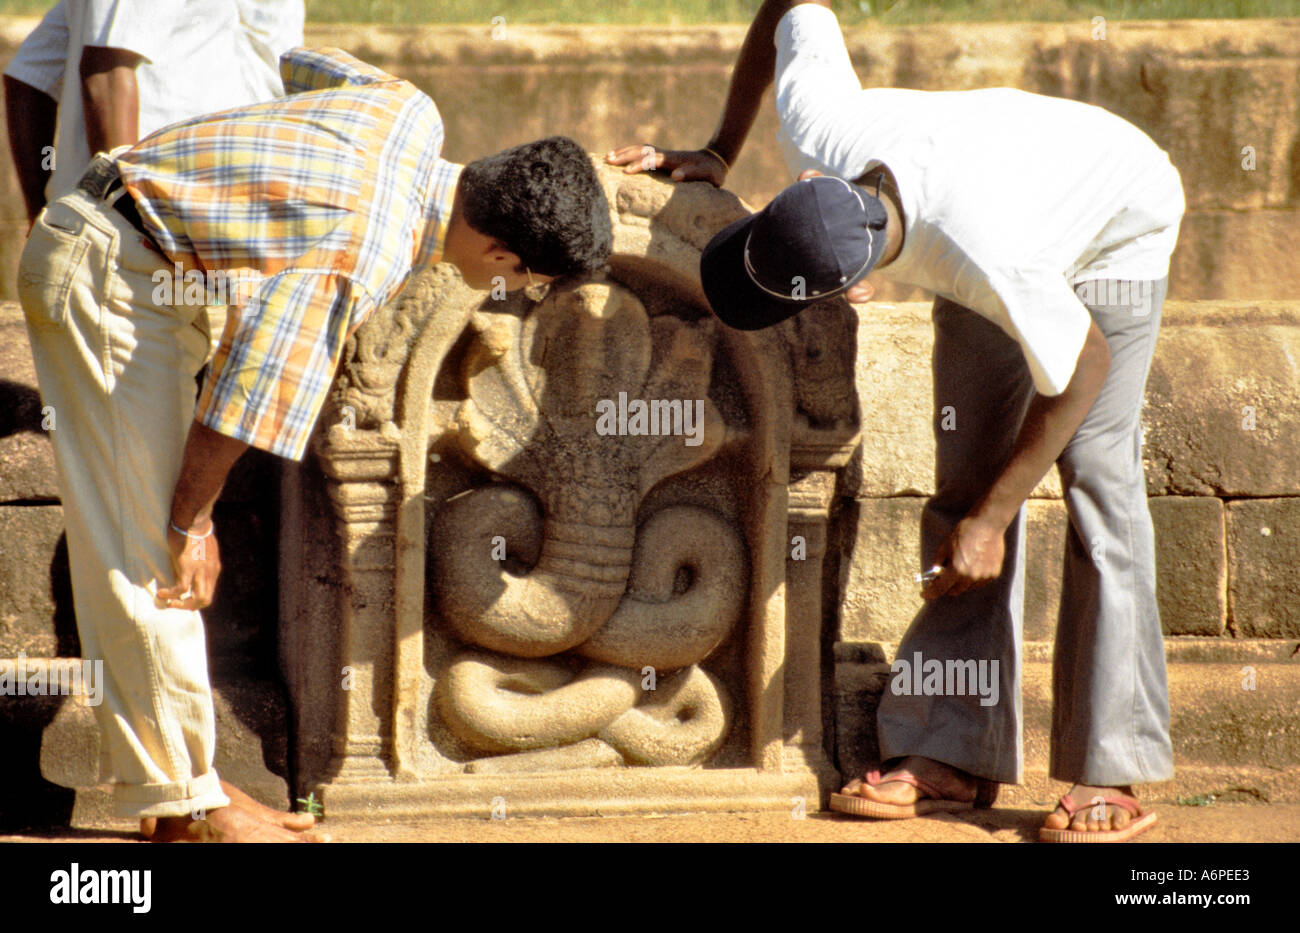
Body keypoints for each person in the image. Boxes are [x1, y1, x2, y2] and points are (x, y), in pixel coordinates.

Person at [608, 0, 1181, 842]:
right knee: (967, 480)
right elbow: (791, 10)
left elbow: (1085, 365)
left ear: (852, 277)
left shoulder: (991, 256)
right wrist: (721, 147)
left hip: (1116, 218)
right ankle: (952, 742)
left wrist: (997, 519)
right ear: (808, 187)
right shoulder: (822, 131)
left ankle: (1113, 768)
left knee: (1098, 482)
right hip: (1006, 199)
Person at [17, 43, 612, 842]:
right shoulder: (362, 251)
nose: (518, 291)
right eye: (529, 278)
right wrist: (192, 521)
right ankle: (187, 808)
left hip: (137, 252)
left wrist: (265, 176)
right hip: (109, 277)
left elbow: (297, 63)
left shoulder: (406, 109)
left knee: (153, 534)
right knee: (150, 551)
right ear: (502, 253)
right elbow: (251, 394)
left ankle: (192, 785)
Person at [4, 0, 305, 225]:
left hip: (211, 219)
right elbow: (106, 73)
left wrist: (39, 207)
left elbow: (29, 75)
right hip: (159, 221)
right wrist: (124, 216)